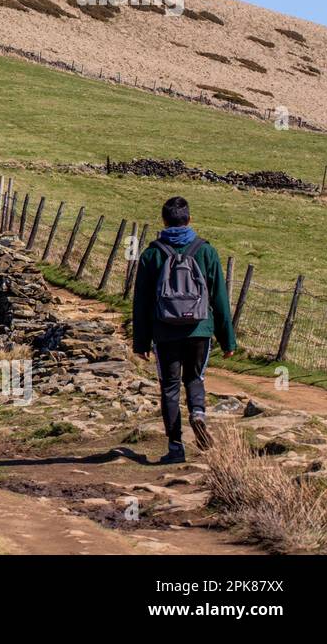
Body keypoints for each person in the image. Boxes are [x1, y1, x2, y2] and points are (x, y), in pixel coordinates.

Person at [132, 196, 237, 464]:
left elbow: (142, 302)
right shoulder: (206, 251)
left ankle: (176, 446)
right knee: (195, 378)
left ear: (164, 221)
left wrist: (141, 342)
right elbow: (220, 298)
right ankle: (198, 414)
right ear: (189, 219)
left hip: (165, 331)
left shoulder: (152, 254)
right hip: (200, 329)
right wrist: (228, 341)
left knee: (169, 386)